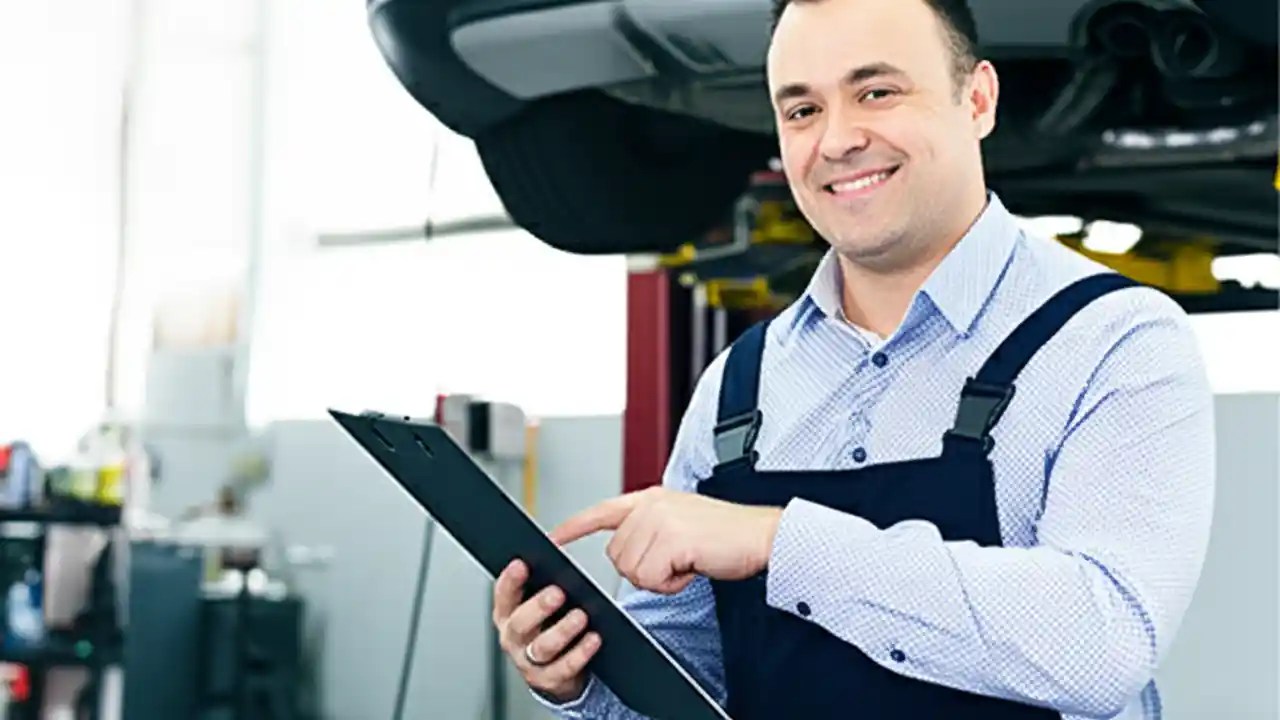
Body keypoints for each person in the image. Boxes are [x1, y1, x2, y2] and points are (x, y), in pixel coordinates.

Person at [491, 0, 1216, 717]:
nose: (836, 140)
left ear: (980, 100)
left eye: (876, 92)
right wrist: (582, 677)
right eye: (802, 110)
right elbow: (686, 686)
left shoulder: (1114, 340)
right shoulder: (740, 384)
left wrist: (778, 540)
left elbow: (1102, 643)